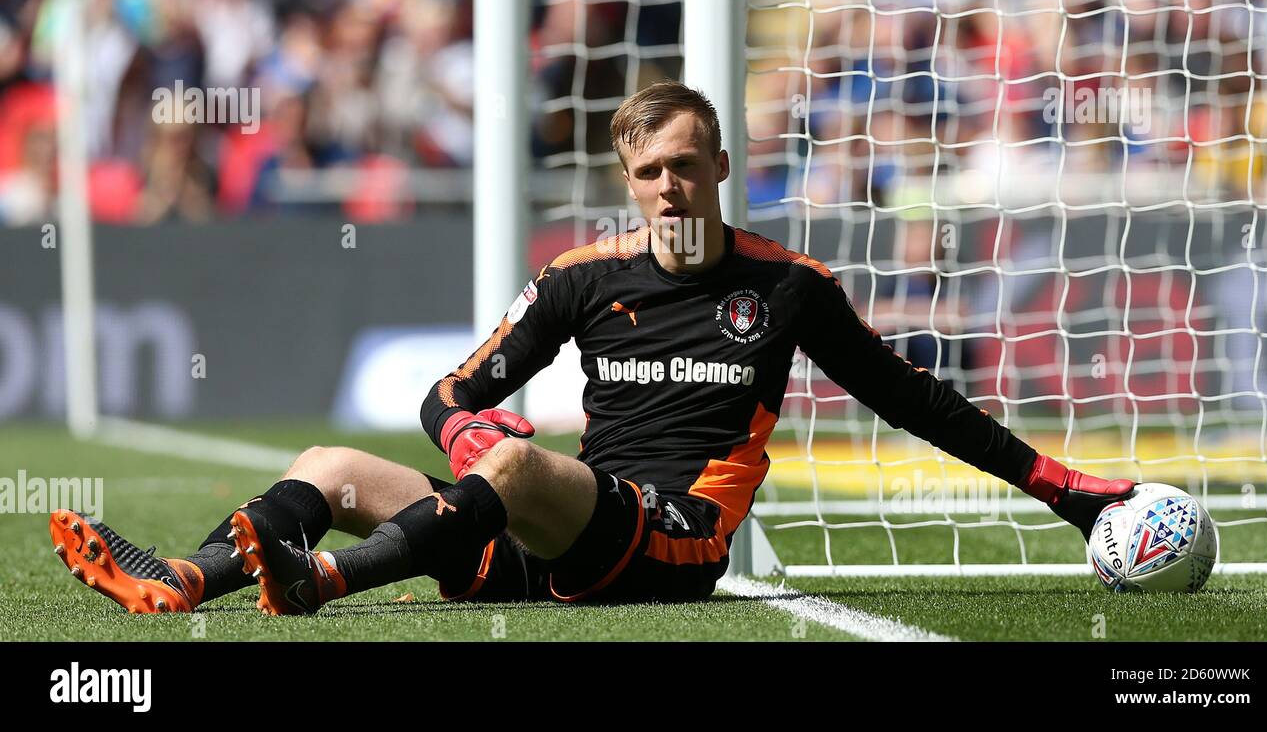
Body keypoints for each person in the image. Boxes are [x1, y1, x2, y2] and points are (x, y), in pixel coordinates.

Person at [49, 81, 1134, 614]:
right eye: (652, 170)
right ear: (630, 178)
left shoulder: (789, 289)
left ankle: (321, 582)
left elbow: (918, 404)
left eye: (689, 165)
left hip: (673, 541)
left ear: (719, 166)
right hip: (556, 526)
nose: (672, 186)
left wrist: (1066, 491)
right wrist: (469, 425)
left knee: (514, 464)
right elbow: (449, 392)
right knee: (331, 464)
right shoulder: (582, 279)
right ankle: (190, 576)